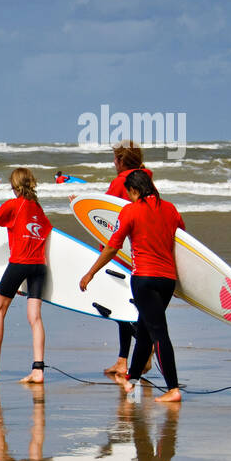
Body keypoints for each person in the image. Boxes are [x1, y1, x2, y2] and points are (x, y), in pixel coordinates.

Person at [80, 170, 183, 403]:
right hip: (167, 280)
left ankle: (173, 389)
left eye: (129, 193)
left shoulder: (130, 211)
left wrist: (91, 273)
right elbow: (183, 243)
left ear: (134, 191)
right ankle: (132, 379)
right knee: (144, 330)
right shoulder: (170, 209)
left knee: (158, 333)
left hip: (144, 279)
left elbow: (112, 246)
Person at [0, 168, 51, 383]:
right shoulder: (38, 208)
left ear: (14, 186)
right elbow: (47, 232)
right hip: (39, 266)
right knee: (35, 318)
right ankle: (38, 370)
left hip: (19, 264)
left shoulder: (13, 206)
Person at [103, 140, 154, 377]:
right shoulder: (147, 179)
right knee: (131, 306)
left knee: (119, 306)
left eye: (115, 159)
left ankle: (145, 350)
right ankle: (123, 360)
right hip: (142, 250)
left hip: (122, 253)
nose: (114, 163)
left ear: (121, 160)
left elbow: (102, 215)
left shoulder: (120, 181)